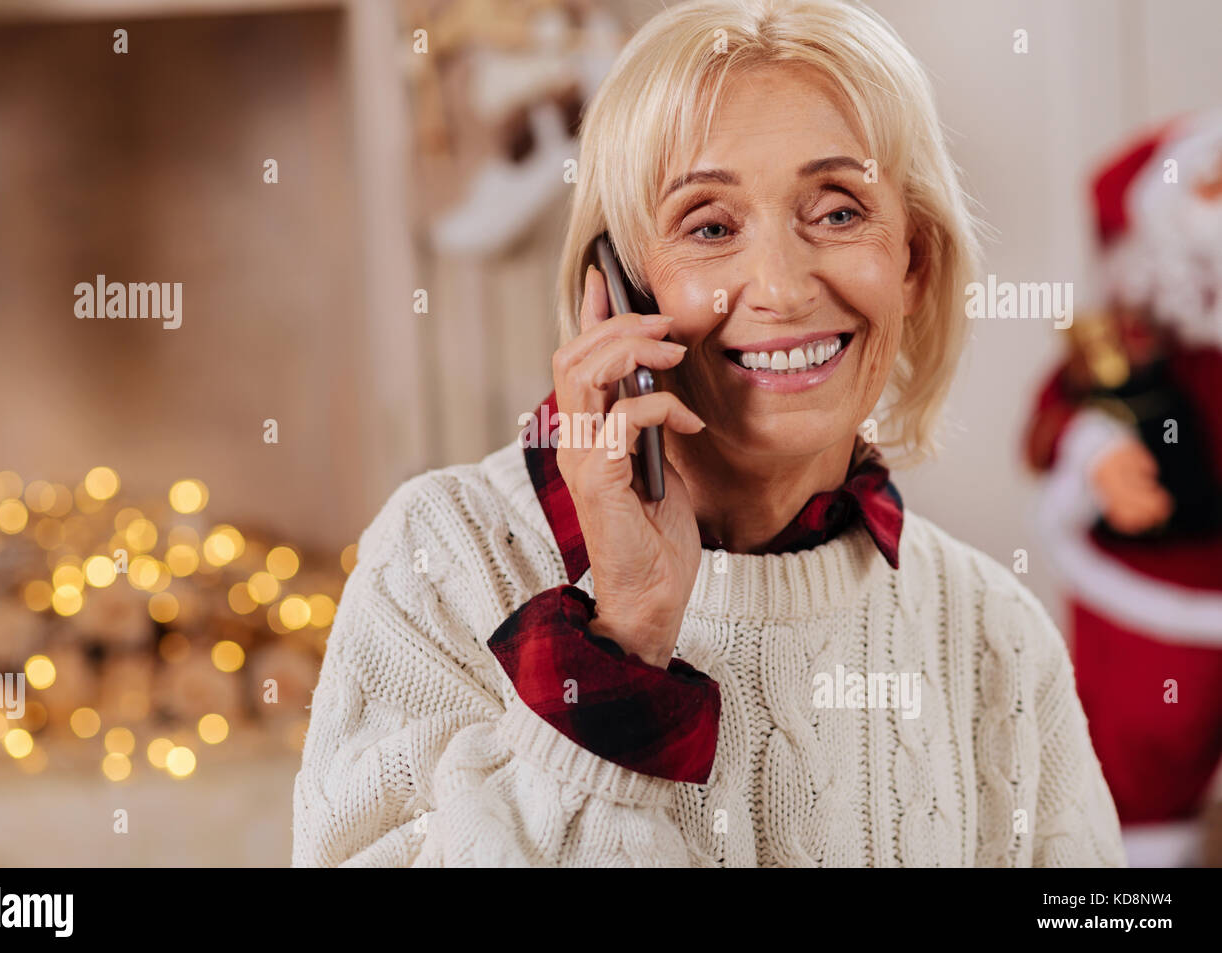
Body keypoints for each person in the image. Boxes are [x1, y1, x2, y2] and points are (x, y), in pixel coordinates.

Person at [293, 0, 1125, 867]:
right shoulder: (442, 559)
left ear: (911, 262)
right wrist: (622, 640)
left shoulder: (994, 628)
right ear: (617, 290)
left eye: (839, 212)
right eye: (711, 226)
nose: (782, 289)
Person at [1024, 112, 1222, 867]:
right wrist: (1096, 449)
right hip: (1149, 595)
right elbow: (1049, 428)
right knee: (1140, 764)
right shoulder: (1115, 346)